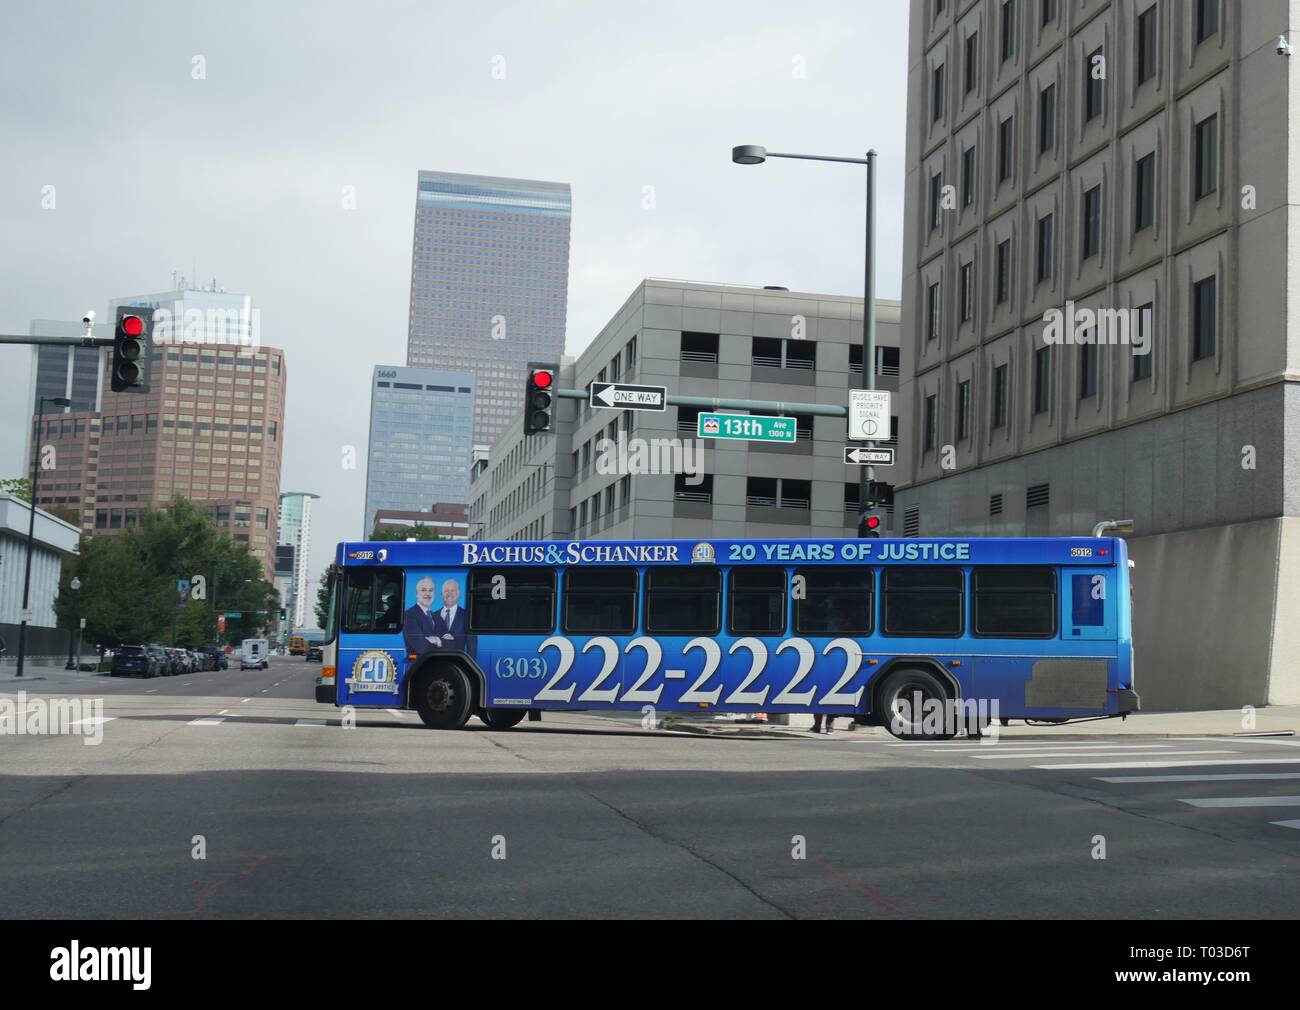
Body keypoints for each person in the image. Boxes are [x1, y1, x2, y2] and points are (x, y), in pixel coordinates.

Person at [402, 577, 443, 657]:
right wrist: (440, 642)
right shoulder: (409, 615)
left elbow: (449, 643)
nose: (428, 594)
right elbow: (421, 647)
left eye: (430, 590)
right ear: (416, 594)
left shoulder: (435, 616)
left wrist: (436, 640)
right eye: (423, 590)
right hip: (418, 665)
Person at [430, 579, 472, 654]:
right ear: (441, 594)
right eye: (446, 591)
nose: (449, 594)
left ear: (458, 593)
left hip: (458, 663)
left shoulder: (468, 615)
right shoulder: (432, 616)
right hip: (436, 662)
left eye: (452, 590)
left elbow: (472, 648)